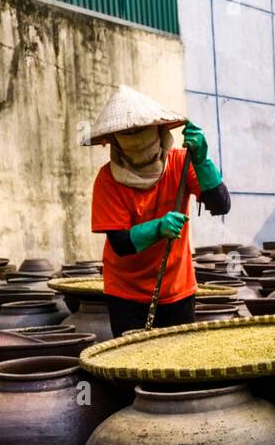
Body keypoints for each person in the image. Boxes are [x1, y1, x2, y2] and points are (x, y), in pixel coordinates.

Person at [87, 85, 231, 336]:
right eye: (128, 134)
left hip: (177, 287)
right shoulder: (107, 179)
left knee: (179, 364)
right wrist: (158, 227)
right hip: (126, 292)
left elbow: (220, 204)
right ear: (116, 143)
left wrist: (202, 160)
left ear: (160, 132)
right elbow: (120, 242)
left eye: (141, 132)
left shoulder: (179, 162)